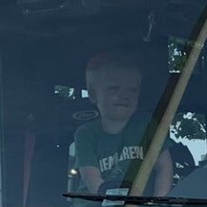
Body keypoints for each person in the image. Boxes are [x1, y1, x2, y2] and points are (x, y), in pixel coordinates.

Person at [68, 52, 194, 197]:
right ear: (93, 95)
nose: (125, 95)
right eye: (114, 88)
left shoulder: (146, 125)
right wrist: (108, 200)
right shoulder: (85, 134)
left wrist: (158, 203)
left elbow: (164, 167)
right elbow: (91, 178)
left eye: (132, 90)